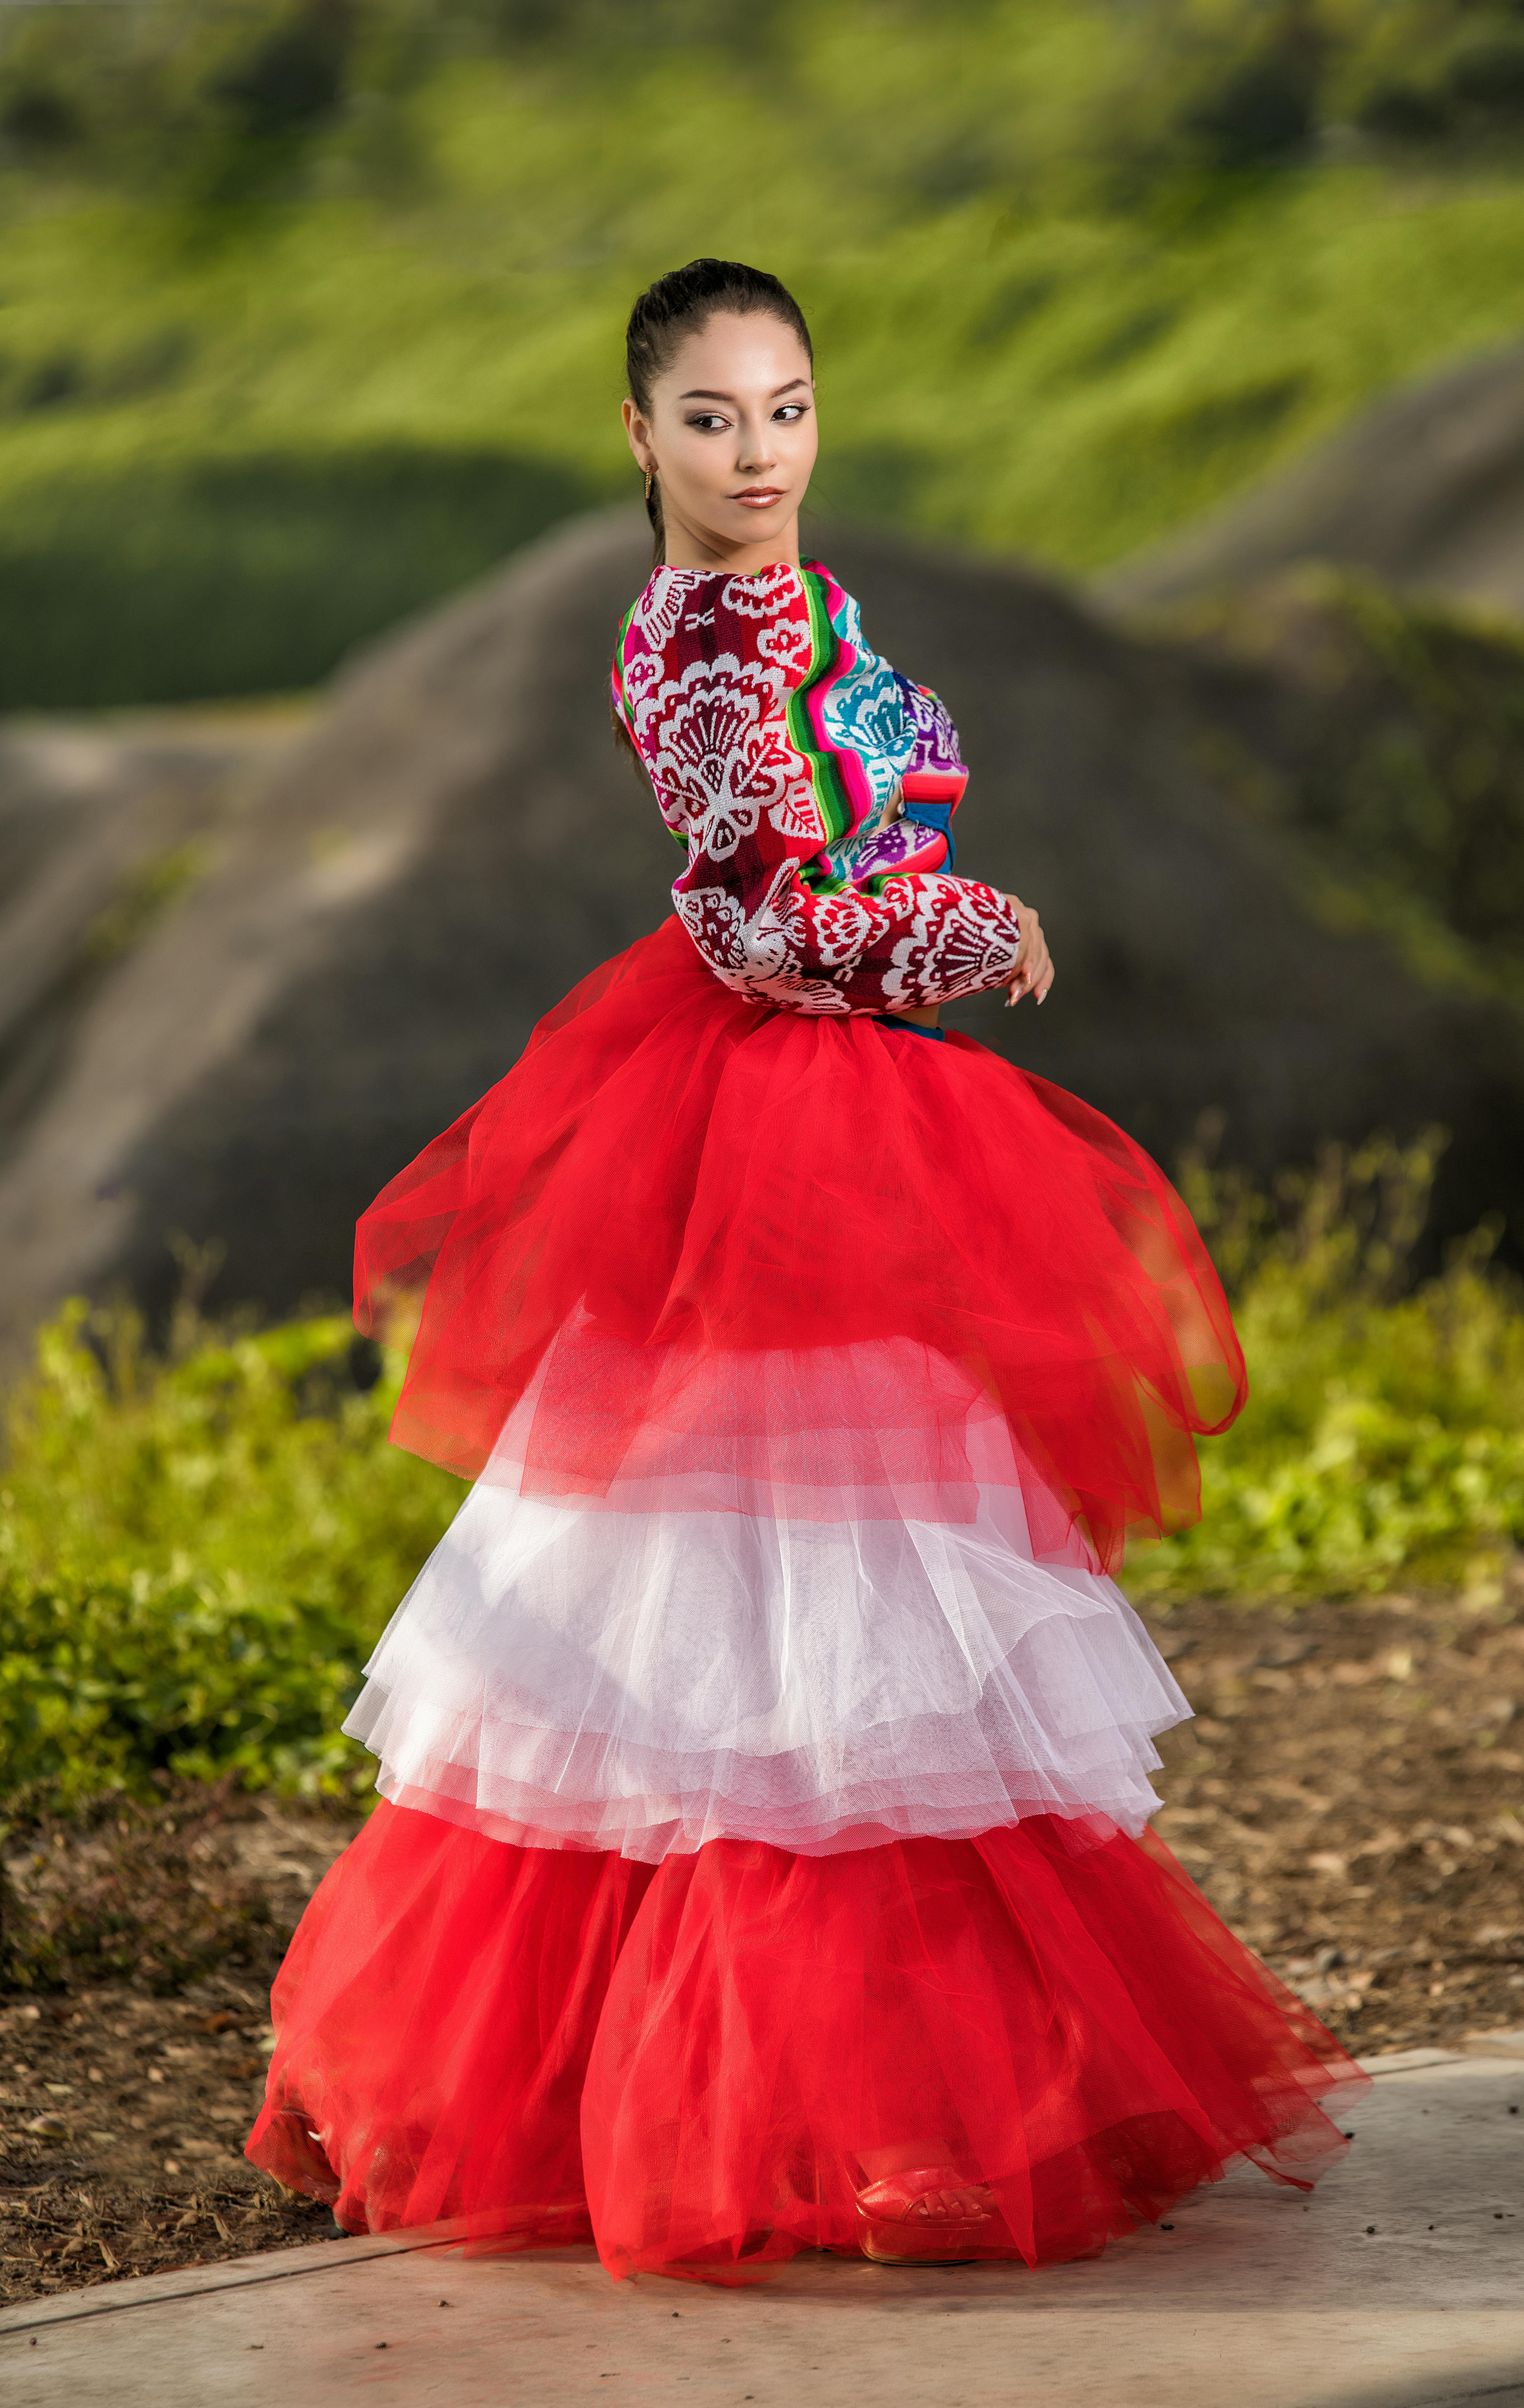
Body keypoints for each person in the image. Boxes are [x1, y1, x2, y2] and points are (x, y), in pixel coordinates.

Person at [247, 257, 1365, 2279]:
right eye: (711, 419)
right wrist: (948, 934)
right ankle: (760, 2118)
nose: (756, 455)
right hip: (755, 1110)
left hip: (852, 1108)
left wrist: (921, 904)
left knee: (872, 1609)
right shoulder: (683, 650)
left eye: (787, 411)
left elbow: (857, 826)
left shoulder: (811, 604)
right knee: (728, 1604)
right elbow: (761, 930)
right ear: (638, 438)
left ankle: (896, 2099)